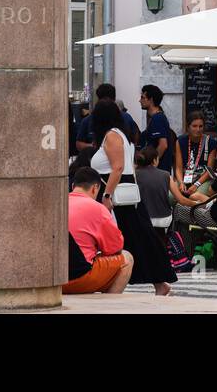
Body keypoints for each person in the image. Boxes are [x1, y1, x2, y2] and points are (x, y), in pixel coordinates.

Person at [91, 100, 175, 296]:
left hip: (116, 195)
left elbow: (118, 167)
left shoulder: (111, 136)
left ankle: (113, 280)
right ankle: (158, 283)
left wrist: (106, 195)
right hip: (127, 195)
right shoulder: (123, 135)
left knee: (123, 240)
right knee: (138, 239)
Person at [64, 167, 134, 295]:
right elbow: (115, 248)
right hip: (80, 277)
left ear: (73, 186)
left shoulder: (59, 203)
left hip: (54, 279)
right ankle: (109, 304)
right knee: (127, 258)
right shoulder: (98, 208)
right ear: (95, 188)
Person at [75, 84, 140, 152]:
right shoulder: (88, 120)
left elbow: (135, 135)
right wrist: (94, 147)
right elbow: (79, 144)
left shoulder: (126, 118)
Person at [175, 111, 217, 191]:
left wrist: (196, 184)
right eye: (194, 126)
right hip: (185, 178)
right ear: (188, 127)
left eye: (200, 126)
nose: (198, 129)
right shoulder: (180, 141)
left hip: (202, 180)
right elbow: (178, 168)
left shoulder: (211, 142)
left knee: (195, 195)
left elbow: (209, 170)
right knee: (170, 196)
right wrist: (181, 182)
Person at [133, 147, 175, 233]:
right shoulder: (166, 175)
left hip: (142, 219)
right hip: (164, 219)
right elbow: (180, 199)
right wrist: (194, 203)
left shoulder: (134, 175)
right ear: (155, 160)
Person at [139, 85, 175, 173]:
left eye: (143, 97)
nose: (140, 100)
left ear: (150, 100)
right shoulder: (155, 118)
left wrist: (152, 165)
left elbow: (163, 145)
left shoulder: (157, 118)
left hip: (158, 172)